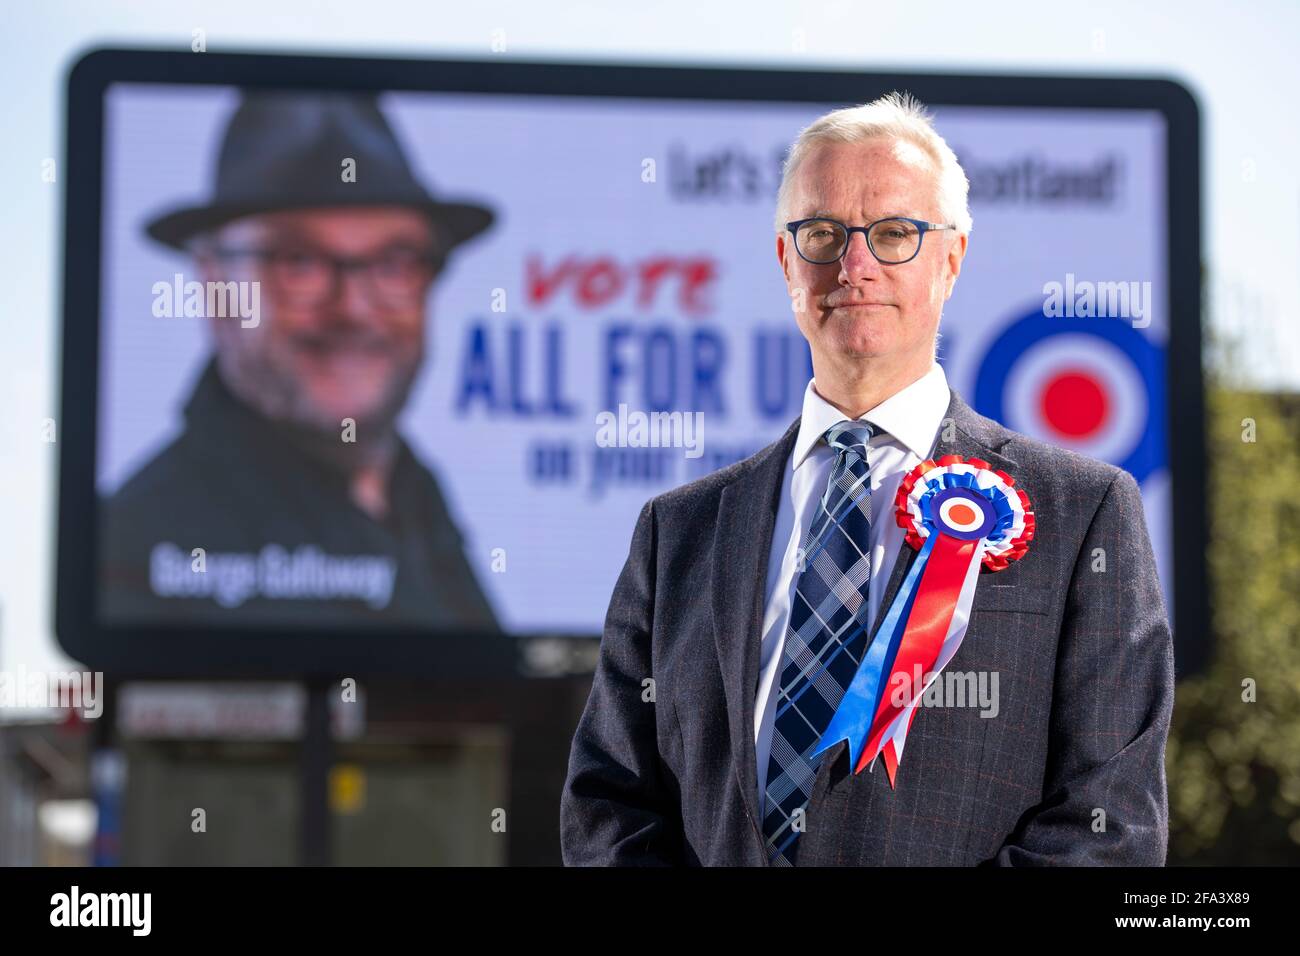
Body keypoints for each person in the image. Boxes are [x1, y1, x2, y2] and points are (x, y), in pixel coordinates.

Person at [560, 92, 1174, 865]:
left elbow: (1108, 827)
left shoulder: (1083, 513)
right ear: (786, 260)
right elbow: (609, 806)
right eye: (822, 234)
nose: (855, 266)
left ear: (951, 259)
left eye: (893, 234)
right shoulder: (677, 531)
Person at [102, 91, 500, 631]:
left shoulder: (418, 502)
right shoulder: (134, 551)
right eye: (299, 261)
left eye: (395, 261)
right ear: (213, 282)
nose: (355, 308)